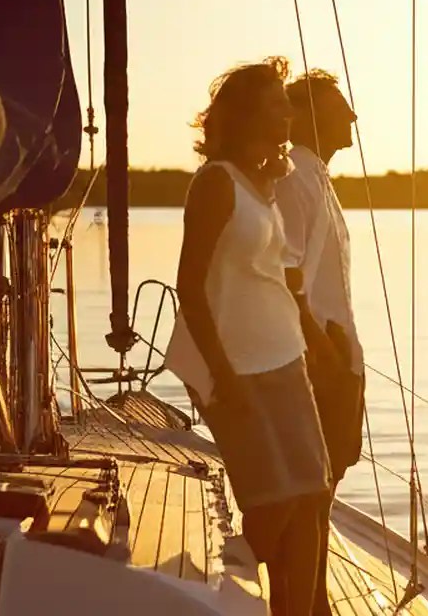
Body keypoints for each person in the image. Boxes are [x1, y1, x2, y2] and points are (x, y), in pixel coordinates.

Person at [170, 56, 331, 616]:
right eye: (278, 102)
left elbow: (270, 273)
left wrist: (311, 346)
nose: (289, 112)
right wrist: (219, 373)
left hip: (284, 357)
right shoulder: (214, 184)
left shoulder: (260, 182)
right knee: (271, 505)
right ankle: (215, 579)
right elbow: (188, 285)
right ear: (246, 114)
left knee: (312, 495)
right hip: (236, 365)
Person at [275, 69, 365, 616]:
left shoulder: (319, 180)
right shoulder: (294, 181)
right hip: (317, 362)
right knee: (308, 496)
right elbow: (284, 278)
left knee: (324, 489)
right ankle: (303, 605)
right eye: (340, 108)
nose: (353, 116)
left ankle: (316, 600)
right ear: (309, 116)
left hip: (336, 358)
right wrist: (324, 355)